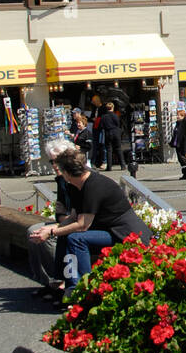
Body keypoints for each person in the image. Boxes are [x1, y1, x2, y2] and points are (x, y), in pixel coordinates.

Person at [32, 147, 153, 296]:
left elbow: (83, 225)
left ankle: (83, 289)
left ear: (67, 173)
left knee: (76, 238)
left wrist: (52, 232)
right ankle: (63, 285)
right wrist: (52, 228)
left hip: (125, 233)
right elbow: (73, 218)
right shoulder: (74, 186)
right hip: (107, 229)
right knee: (65, 234)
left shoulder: (94, 185)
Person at [28, 138, 84, 299]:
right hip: (68, 219)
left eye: (57, 161)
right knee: (33, 231)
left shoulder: (79, 177)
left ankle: (63, 280)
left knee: (50, 237)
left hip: (83, 222)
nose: (54, 165)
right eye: (52, 161)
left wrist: (60, 224)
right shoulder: (61, 179)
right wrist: (62, 218)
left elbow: (80, 212)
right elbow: (59, 208)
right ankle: (49, 281)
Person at [98, 102, 126, 171]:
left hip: (108, 133)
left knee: (109, 150)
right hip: (116, 132)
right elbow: (118, 124)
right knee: (118, 148)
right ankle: (122, 165)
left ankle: (109, 167)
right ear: (112, 108)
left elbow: (100, 126)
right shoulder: (115, 116)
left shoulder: (103, 117)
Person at [171, 107, 186, 178]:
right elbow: (175, 134)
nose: (177, 116)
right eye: (177, 115)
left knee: (184, 159)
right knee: (180, 159)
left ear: (183, 116)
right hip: (177, 145)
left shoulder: (184, 124)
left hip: (183, 145)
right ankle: (185, 173)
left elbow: (185, 136)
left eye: (179, 115)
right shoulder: (177, 124)